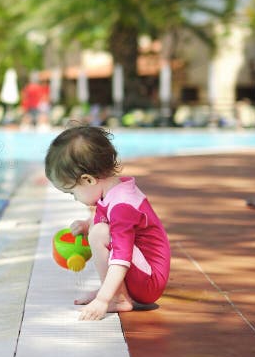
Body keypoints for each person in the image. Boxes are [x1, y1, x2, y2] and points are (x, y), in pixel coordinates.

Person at [44, 125, 170, 320]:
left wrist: (103, 299)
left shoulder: (122, 206)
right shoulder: (114, 192)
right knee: (97, 227)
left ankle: (118, 298)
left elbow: (122, 256)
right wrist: (87, 224)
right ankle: (115, 292)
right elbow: (105, 217)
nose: (74, 198)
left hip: (149, 281)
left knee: (100, 233)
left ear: (88, 180)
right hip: (142, 272)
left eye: (72, 192)